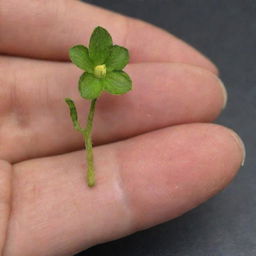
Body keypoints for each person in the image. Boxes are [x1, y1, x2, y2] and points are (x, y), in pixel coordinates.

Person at [0, 0, 245, 255]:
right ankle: (90, 171)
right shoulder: (89, 75)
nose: (101, 68)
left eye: (104, 66)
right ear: (90, 64)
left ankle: (91, 171)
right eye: (98, 66)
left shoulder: (109, 69)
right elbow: (83, 60)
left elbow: (119, 63)